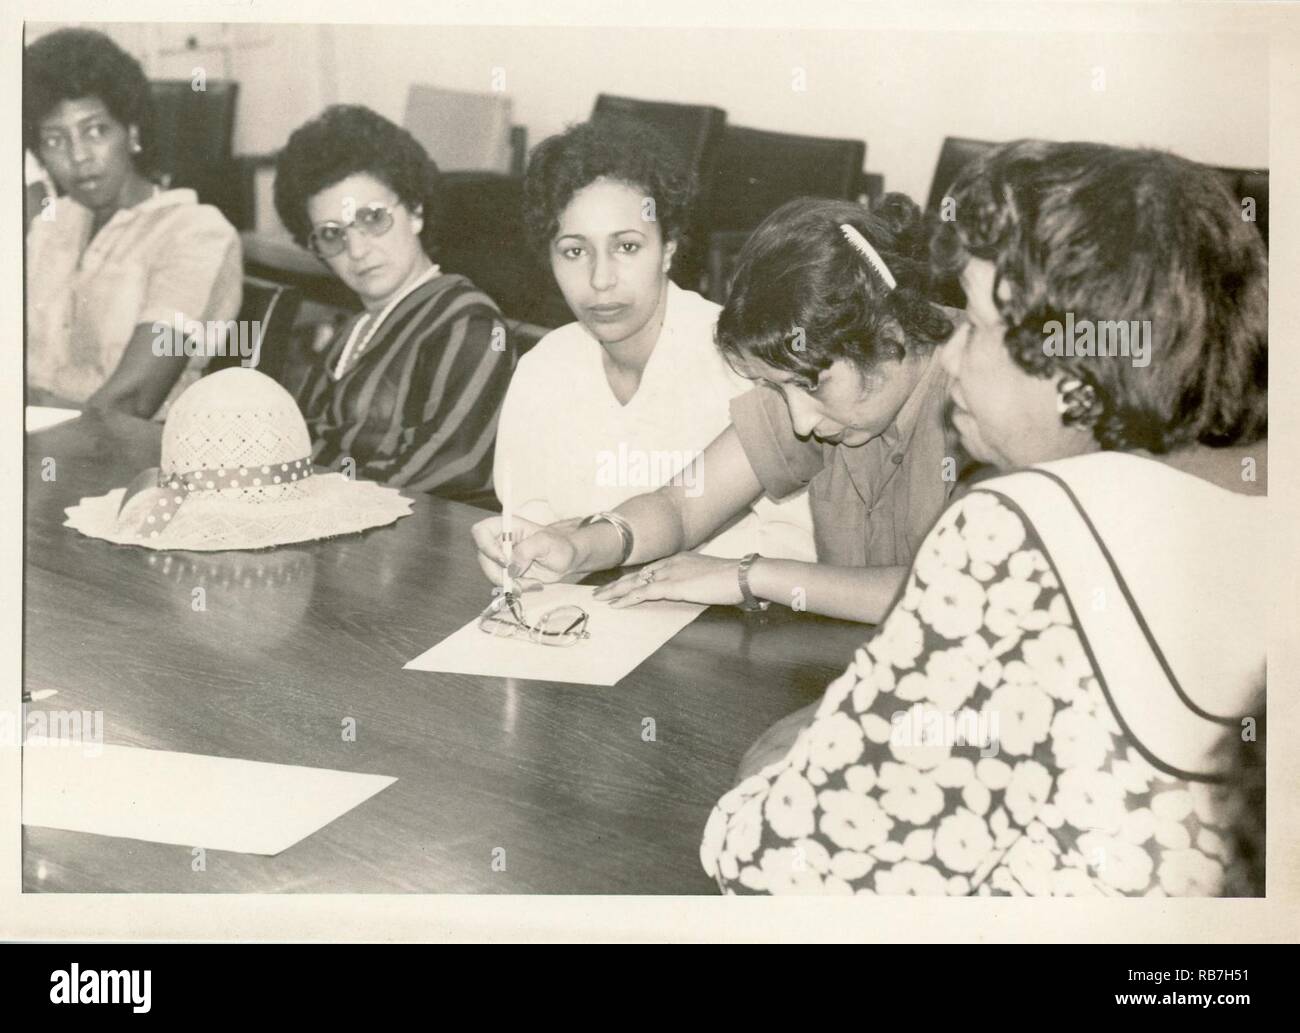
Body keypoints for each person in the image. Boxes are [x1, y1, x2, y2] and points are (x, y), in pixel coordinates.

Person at [699, 140, 1267, 897]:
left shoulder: (1023, 529)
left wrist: (789, 761)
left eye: (971, 323)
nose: (952, 357)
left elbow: (776, 861)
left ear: (1073, 366)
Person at [474, 191, 961, 624]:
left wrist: (748, 575)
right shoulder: (810, 376)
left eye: (813, 388)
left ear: (890, 334)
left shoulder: (984, 394)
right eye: (780, 390)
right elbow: (681, 506)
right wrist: (580, 545)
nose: (799, 420)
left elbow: (956, 593)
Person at [486, 119, 817, 566]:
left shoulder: (745, 365)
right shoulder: (543, 369)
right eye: (574, 251)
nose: (601, 280)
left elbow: (798, 543)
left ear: (668, 249)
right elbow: (527, 524)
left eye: (626, 247)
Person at [274, 104, 513, 506]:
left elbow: (447, 467)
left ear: (416, 211)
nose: (358, 249)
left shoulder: (467, 325)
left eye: (372, 218)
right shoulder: (352, 333)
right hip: (337, 535)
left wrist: (310, 505)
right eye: (331, 235)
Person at [24, 27, 242, 418]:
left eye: (95, 130)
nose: (79, 157)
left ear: (133, 132)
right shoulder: (51, 226)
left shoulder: (196, 233)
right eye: (55, 140)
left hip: (133, 457)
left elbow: (133, 399)